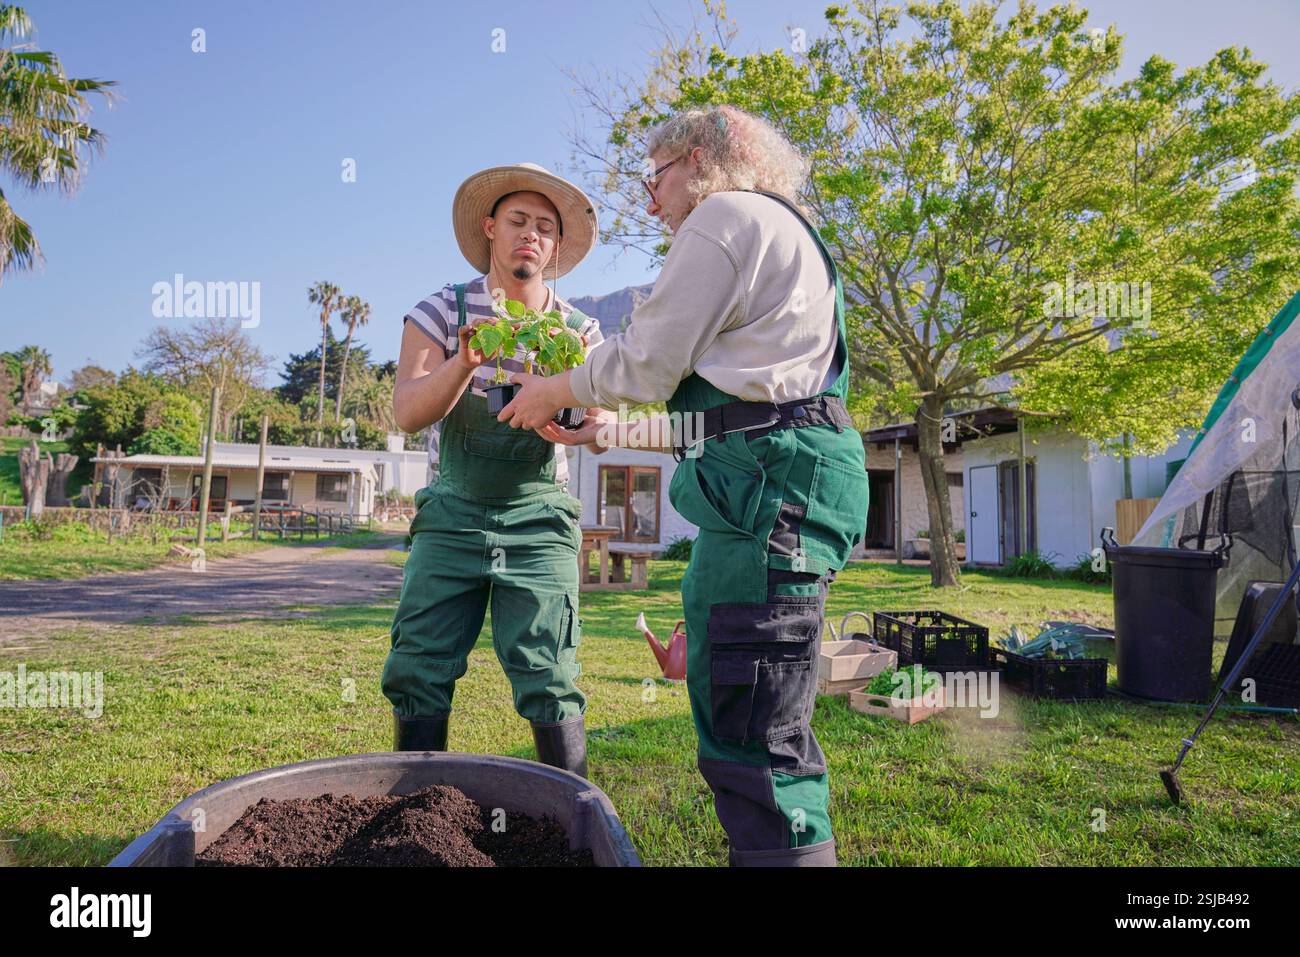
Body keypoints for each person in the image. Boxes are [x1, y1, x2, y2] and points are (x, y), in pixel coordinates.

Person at [501, 106, 869, 865]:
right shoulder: (776, 237)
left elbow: (647, 360)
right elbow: (721, 421)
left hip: (771, 498)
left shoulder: (725, 216)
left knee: (761, 743)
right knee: (744, 699)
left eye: (655, 175)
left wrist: (552, 389)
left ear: (701, 159)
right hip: (766, 489)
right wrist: (605, 430)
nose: (650, 198)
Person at [383, 162, 605, 775]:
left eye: (543, 226)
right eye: (517, 221)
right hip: (450, 513)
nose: (530, 234)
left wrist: (590, 427)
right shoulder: (440, 310)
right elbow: (407, 412)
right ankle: (418, 815)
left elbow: (603, 423)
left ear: (556, 246)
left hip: (538, 518)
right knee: (419, 663)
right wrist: (462, 362)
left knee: (549, 669)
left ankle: (573, 818)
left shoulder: (578, 329)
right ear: (489, 228)